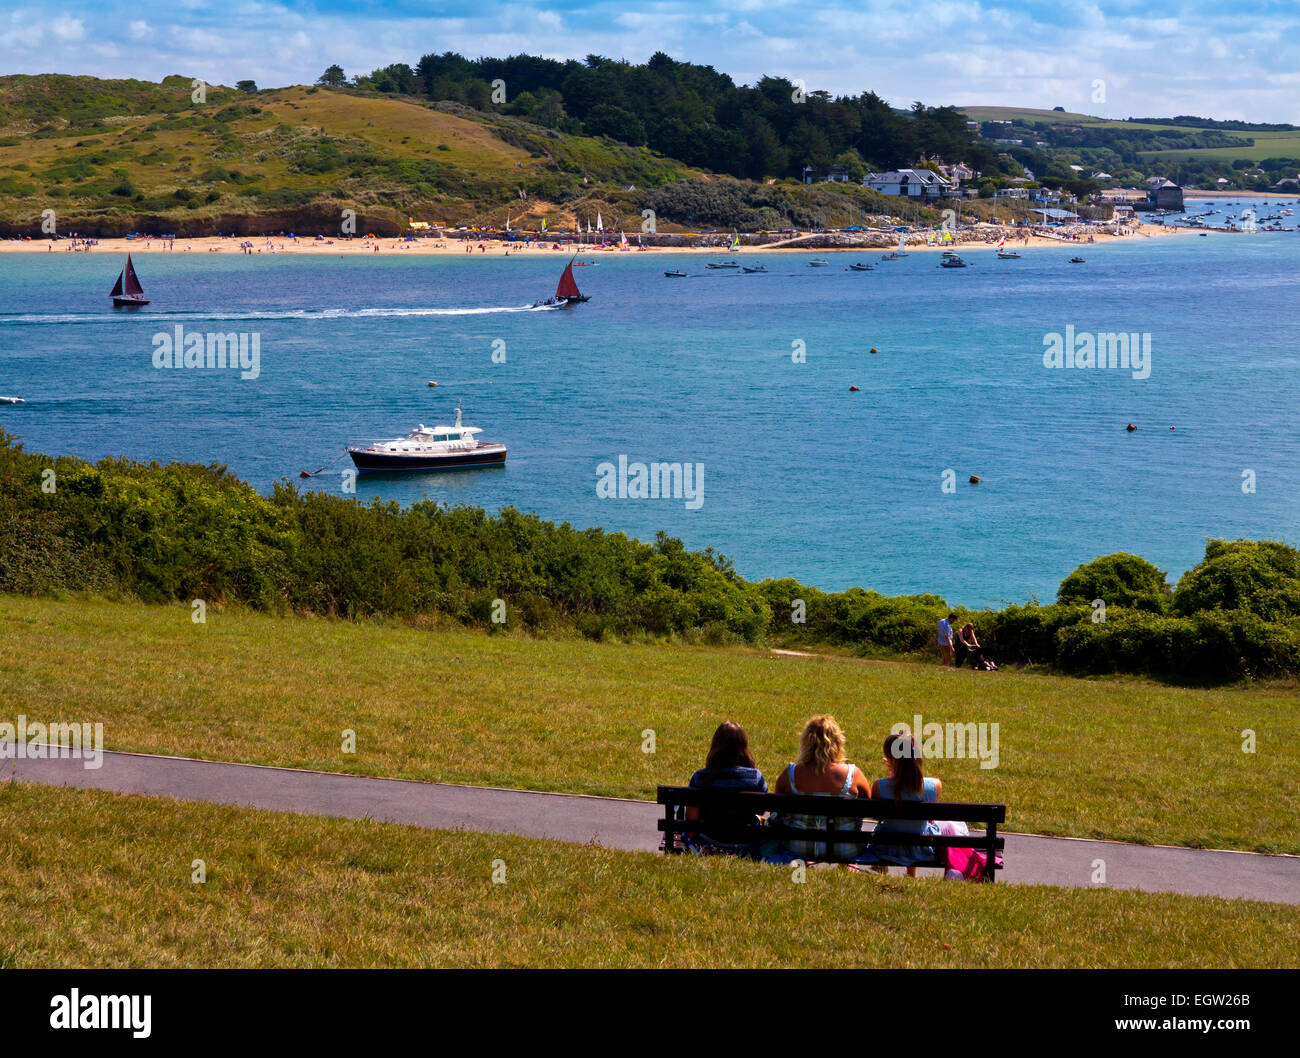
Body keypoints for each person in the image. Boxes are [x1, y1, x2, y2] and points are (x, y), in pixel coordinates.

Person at [770, 715, 872, 862]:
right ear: (837, 742)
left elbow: (777, 809)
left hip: (796, 846)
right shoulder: (853, 775)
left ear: (806, 742)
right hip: (845, 849)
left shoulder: (790, 774)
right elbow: (868, 808)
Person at [680, 722, 767, 857]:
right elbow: (761, 809)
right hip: (746, 842)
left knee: (685, 830)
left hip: (709, 839)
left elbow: (692, 820)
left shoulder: (700, 778)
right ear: (744, 747)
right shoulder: (755, 777)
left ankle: (704, 850)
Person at [869, 733, 942, 876]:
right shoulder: (935, 785)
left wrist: (892, 773)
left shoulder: (880, 786)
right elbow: (930, 818)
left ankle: (881, 869)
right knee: (919, 826)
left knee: (885, 828)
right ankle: (911, 874)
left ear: (890, 760)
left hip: (886, 848)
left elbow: (877, 817)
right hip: (919, 849)